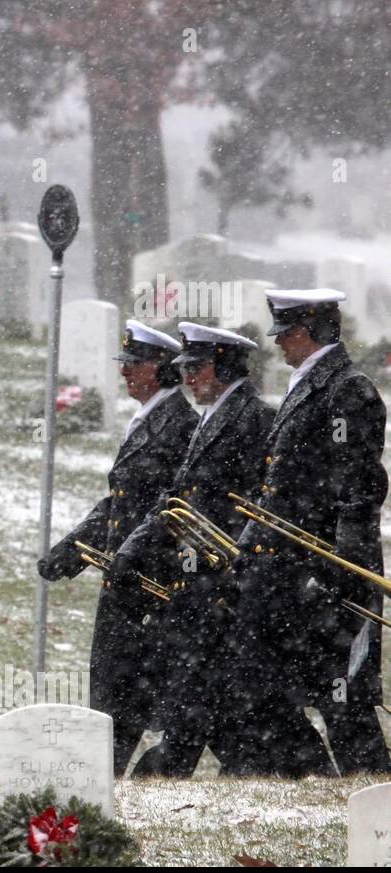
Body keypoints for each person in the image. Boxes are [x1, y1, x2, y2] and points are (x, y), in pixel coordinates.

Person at [229, 289, 391, 775]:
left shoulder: (346, 390)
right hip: (287, 569)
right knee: (263, 687)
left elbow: (358, 487)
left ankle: (373, 797)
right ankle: (320, 781)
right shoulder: (311, 384)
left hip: (328, 572)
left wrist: (341, 573)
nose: (279, 343)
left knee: (344, 703)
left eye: (286, 333)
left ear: (307, 331)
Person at [110, 323, 274, 776]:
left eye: (197, 367)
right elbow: (176, 499)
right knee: (201, 699)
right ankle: (232, 769)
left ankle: (163, 777)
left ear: (223, 366)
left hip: (225, 583)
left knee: (203, 699)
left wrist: (240, 559)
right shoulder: (211, 418)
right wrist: (135, 546)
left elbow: (266, 499)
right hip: (198, 581)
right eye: (185, 368)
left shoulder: (253, 417)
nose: (188, 377)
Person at [38, 320, 198, 776]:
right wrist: (73, 548)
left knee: (137, 692)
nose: (125, 373)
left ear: (160, 368)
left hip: (153, 581)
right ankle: (104, 782)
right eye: (125, 364)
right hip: (127, 579)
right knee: (115, 694)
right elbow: (118, 500)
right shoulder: (149, 418)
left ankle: (134, 776)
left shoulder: (179, 425)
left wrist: (131, 550)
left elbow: (170, 503)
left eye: (135, 365)